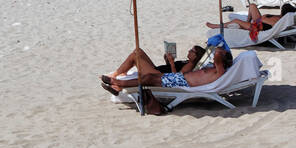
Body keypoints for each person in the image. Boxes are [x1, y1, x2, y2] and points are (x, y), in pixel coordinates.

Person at [100, 43, 234, 115]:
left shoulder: (219, 71)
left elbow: (217, 55)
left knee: (149, 79)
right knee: (150, 77)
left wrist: (221, 51)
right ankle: (118, 84)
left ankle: (117, 82)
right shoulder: (213, 68)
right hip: (179, 78)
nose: (218, 52)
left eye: (192, 51)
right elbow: (216, 56)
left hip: (181, 81)